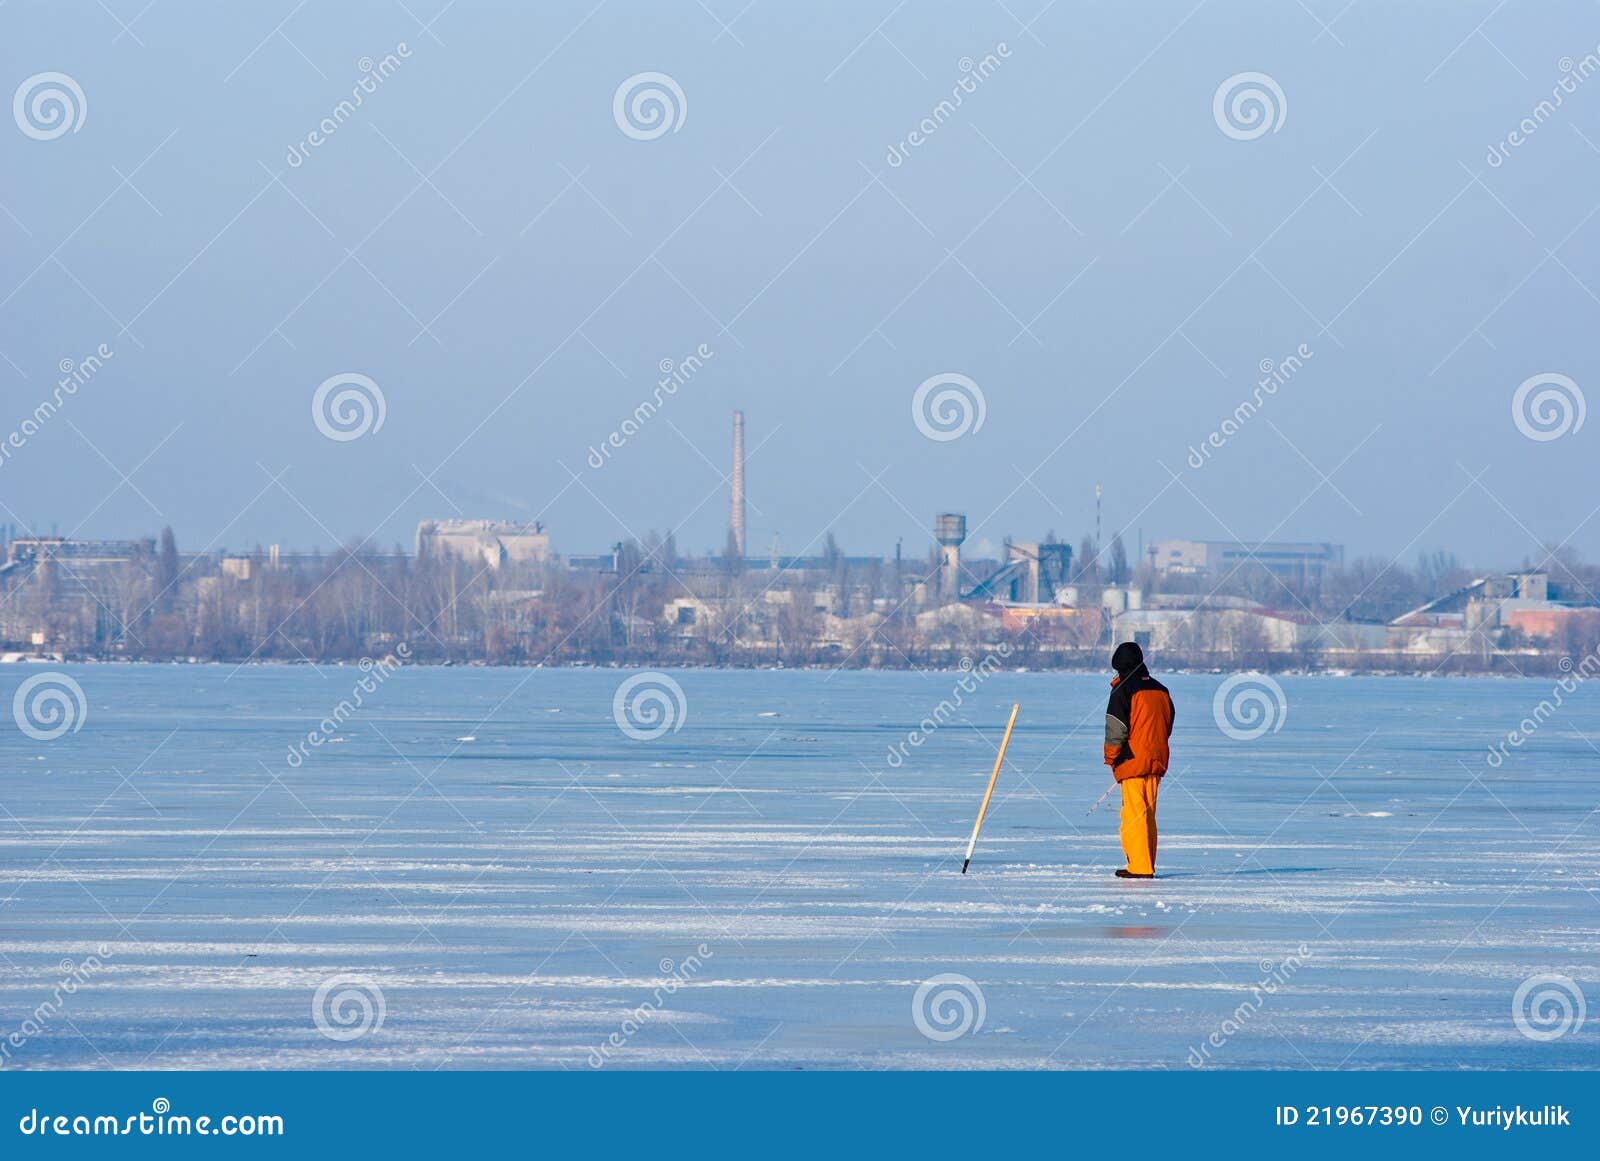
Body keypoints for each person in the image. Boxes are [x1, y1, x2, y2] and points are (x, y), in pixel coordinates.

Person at [1102, 641, 1174, 879]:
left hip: (1132, 759)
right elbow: (1167, 723)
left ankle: (1140, 867)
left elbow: (1116, 729)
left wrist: (1112, 758)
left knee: (1133, 814)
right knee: (1148, 814)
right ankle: (1147, 863)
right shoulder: (1161, 689)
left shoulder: (1123, 689)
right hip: (1157, 758)